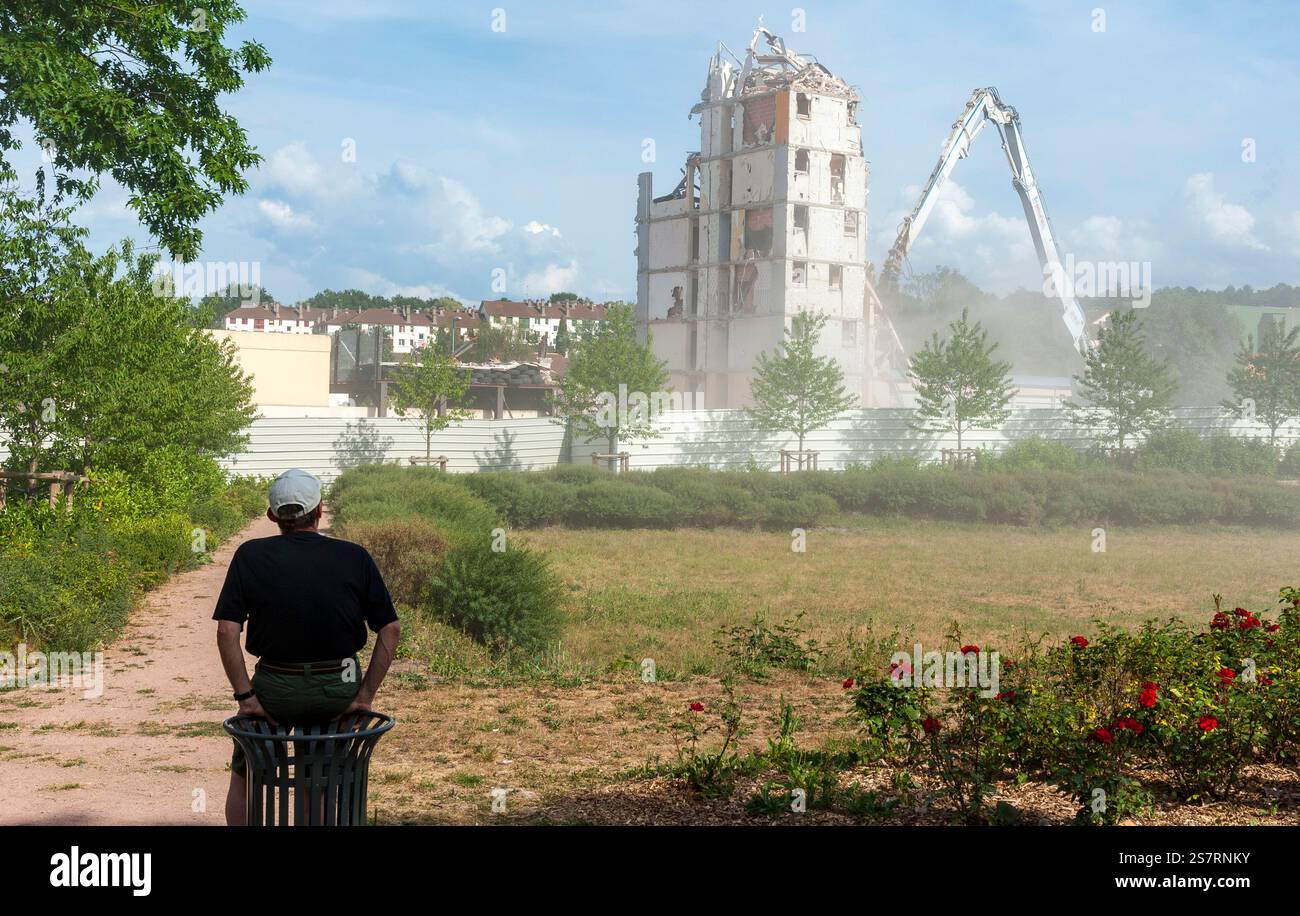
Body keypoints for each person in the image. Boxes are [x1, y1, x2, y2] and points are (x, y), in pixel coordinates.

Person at [213, 468, 401, 826]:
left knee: (246, 771)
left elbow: (226, 631)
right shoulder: (354, 556)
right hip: (337, 689)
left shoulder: (250, 555)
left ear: (272, 516)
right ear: (320, 511)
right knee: (321, 773)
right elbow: (390, 629)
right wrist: (364, 696)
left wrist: (246, 698)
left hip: (274, 689)